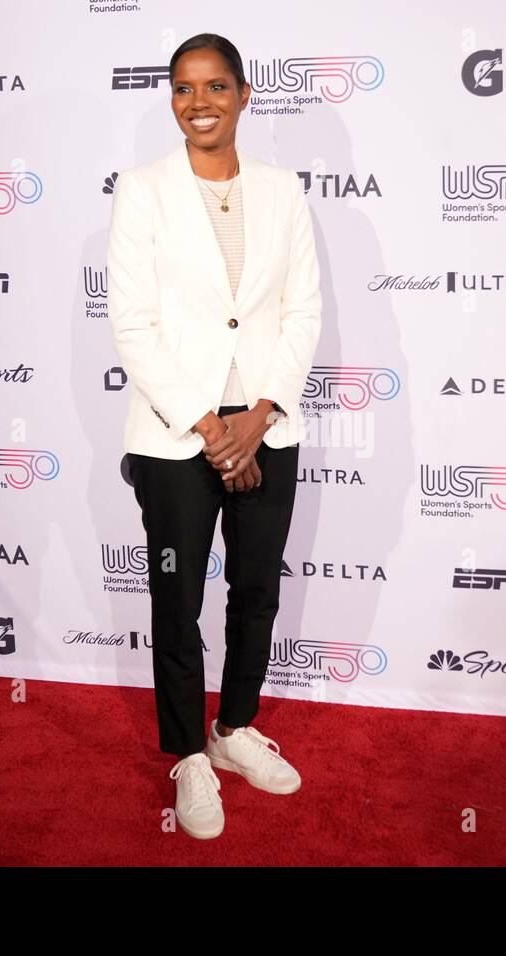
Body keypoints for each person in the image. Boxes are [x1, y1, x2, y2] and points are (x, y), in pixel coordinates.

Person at [105, 33, 323, 839]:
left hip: (268, 424)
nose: (199, 103)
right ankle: (189, 755)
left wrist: (259, 414)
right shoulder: (143, 190)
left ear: (244, 95)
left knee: (257, 592)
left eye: (216, 87)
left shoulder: (282, 189)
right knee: (177, 599)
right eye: (184, 88)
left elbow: (302, 311)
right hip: (174, 439)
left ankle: (233, 729)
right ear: (172, 98)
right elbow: (132, 324)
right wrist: (208, 425)